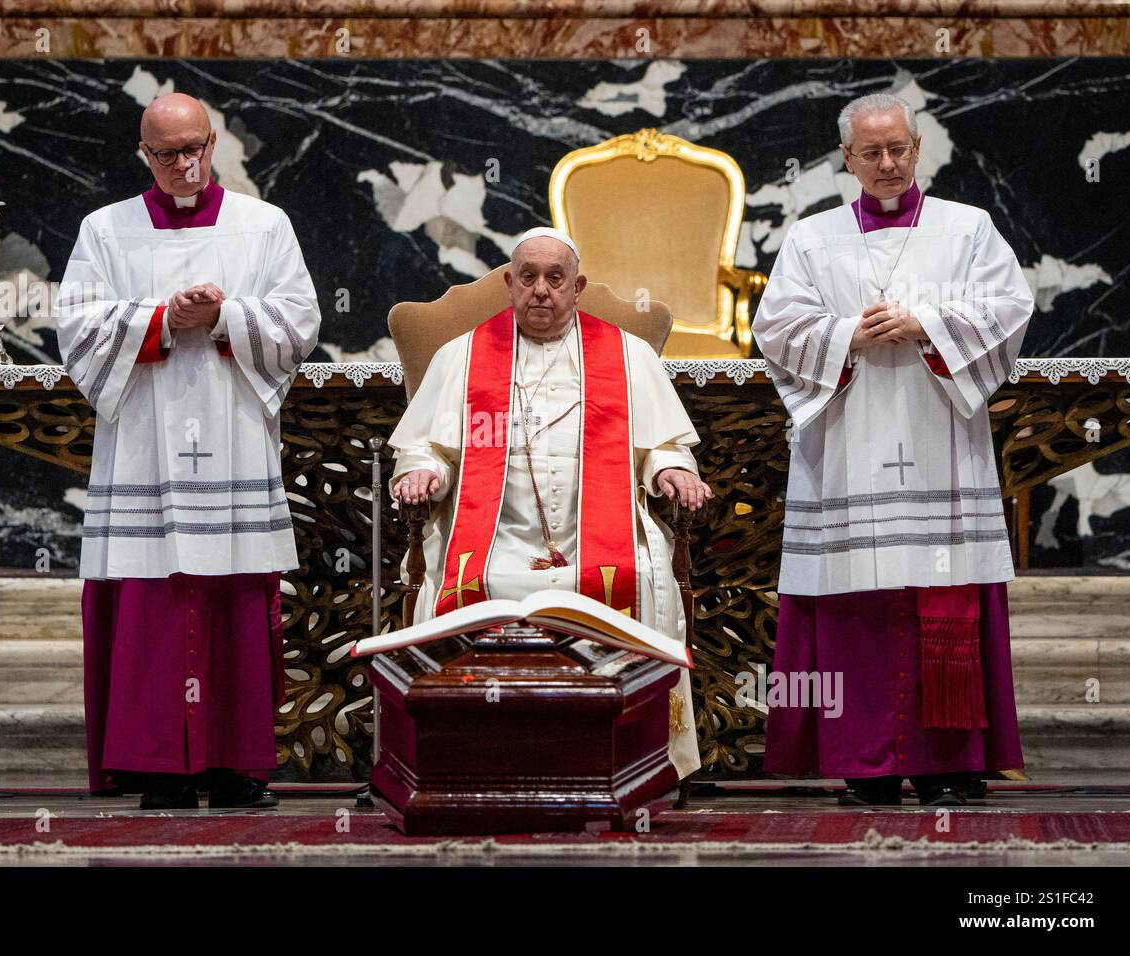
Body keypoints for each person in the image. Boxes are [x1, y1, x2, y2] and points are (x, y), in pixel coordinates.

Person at [753, 92, 1031, 806]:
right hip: (847, 450)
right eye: (870, 152)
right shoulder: (812, 239)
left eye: (898, 149)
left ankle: (948, 762)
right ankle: (865, 762)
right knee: (856, 610)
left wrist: (928, 325)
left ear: (918, 150)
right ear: (846, 159)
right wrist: (848, 336)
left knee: (945, 601)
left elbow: (1009, 309)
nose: (886, 163)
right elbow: (776, 325)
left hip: (941, 442)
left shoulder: (968, 228)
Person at [56, 93, 321, 810]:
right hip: (144, 441)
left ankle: (237, 764)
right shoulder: (104, 230)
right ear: (143, 153)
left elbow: (300, 321)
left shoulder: (264, 225)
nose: (185, 164)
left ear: (214, 142)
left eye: (197, 147)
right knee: (151, 601)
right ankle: (155, 766)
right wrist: (164, 318)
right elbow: (76, 326)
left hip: (232, 436)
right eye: (167, 153)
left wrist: (227, 313)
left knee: (234, 593)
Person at [389, 227, 713, 781]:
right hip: (491, 542)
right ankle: (468, 760)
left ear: (578, 286)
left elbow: (662, 446)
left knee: (641, 572)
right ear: (509, 283)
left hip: (601, 542)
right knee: (465, 577)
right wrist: (423, 472)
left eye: (555, 278)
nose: (541, 290)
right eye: (529, 277)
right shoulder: (461, 357)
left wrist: (674, 469)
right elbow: (428, 446)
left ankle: (630, 759)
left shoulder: (627, 355)